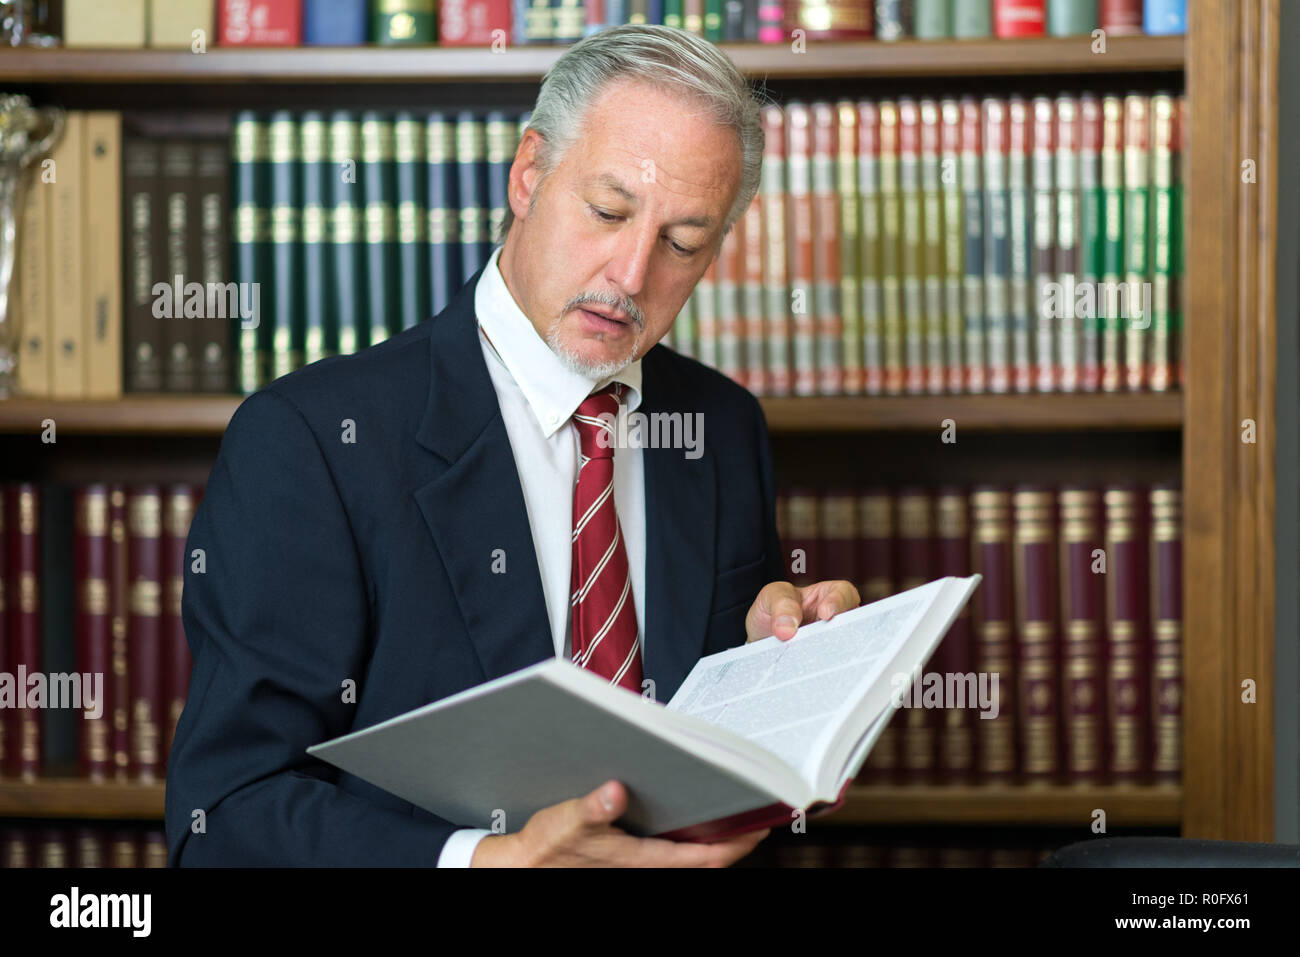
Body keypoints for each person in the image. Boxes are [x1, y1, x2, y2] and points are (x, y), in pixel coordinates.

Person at [165, 24, 860, 868]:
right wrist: (481, 861)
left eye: (683, 242)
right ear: (529, 173)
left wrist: (778, 675)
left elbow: (707, 763)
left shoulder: (722, 427)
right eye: (608, 211)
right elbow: (225, 815)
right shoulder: (310, 442)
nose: (631, 275)